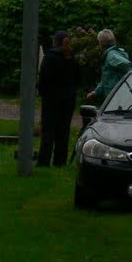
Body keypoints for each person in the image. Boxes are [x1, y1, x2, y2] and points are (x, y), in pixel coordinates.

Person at [36, 29, 82, 167]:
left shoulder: (50, 57)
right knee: (63, 130)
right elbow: (79, 80)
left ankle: (44, 161)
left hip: (51, 98)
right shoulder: (72, 58)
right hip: (68, 99)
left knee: (48, 131)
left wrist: (43, 92)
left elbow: (44, 77)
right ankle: (60, 161)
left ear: (55, 41)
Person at [87, 29, 132, 105]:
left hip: (116, 98)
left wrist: (121, 84)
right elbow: (106, 79)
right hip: (113, 96)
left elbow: (125, 64)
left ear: (101, 43)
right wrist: (96, 92)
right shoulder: (111, 54)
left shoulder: (111, 55)